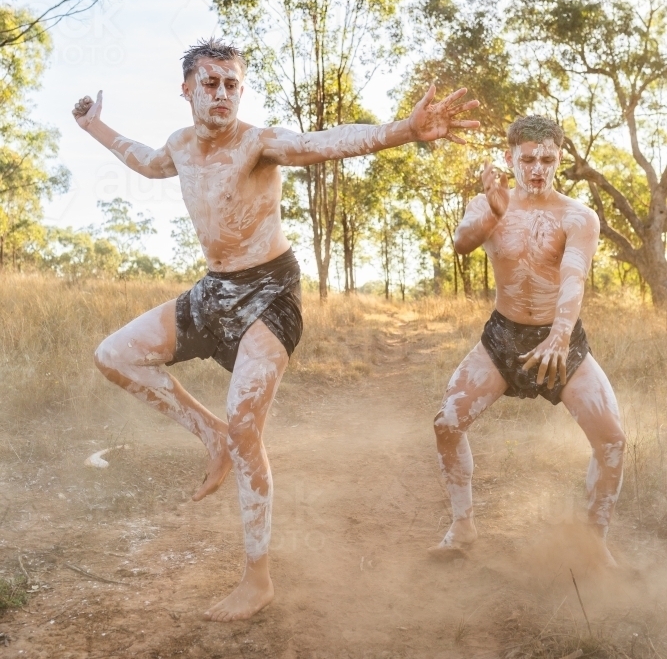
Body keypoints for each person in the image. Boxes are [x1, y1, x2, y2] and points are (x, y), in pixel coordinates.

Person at [73, 38, 479, 620]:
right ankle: (208, 434)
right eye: (209, 83)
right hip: (213, 292)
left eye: (231, 83)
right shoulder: (180, 147)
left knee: (246, 425)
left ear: (241, 89)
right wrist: (94, 126)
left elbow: (322, 143)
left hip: (269, 293)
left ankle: (256, 578)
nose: (221, 93)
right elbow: (141, 158)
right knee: (114, 354)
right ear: (186, 89)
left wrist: (403, 130)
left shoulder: (257, 142)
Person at [432, 115, 625, 566]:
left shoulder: (580, 216)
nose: (538, 168)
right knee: (446, 424)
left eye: (548, 159)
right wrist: (494, 214)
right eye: (528, 159)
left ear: (559, 159)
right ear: (510, 158)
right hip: (504, 336)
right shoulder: (487, 205)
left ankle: (594, 542)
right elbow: (461, 244)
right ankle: (463, 526)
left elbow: (574, 277)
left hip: (563, 340)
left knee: (613, 442)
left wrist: (560, 337)